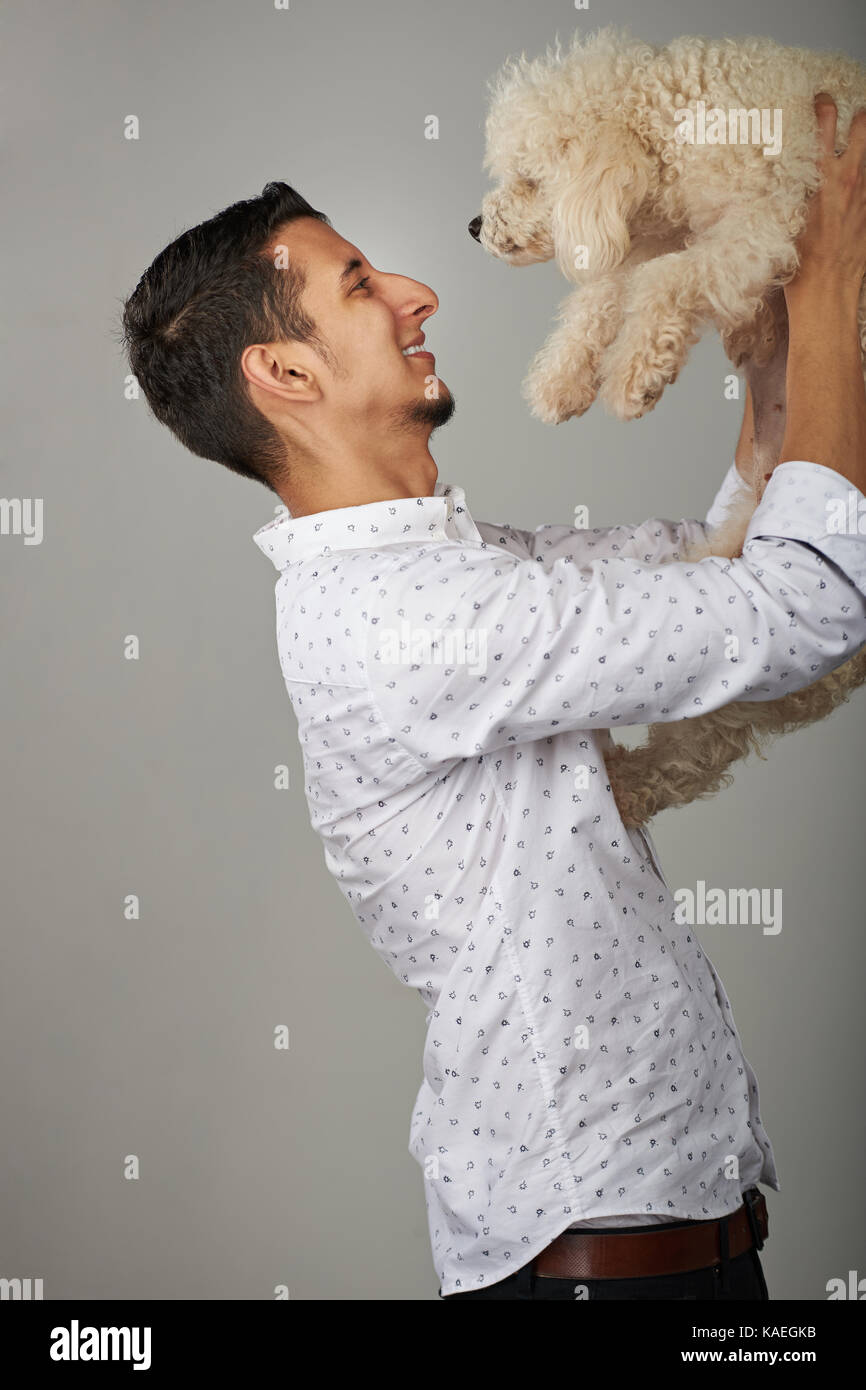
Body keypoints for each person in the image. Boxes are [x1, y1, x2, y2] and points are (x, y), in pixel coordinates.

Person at [120, 96, 866, 1299]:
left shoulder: (445, 577)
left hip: (650, 1240)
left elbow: (717, 566)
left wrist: (773, 348)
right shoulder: (408, 620)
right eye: (360, 284)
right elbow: (809, 602)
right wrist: (831, 284)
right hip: (607, 1270)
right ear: (286, 371)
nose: (417, 291)